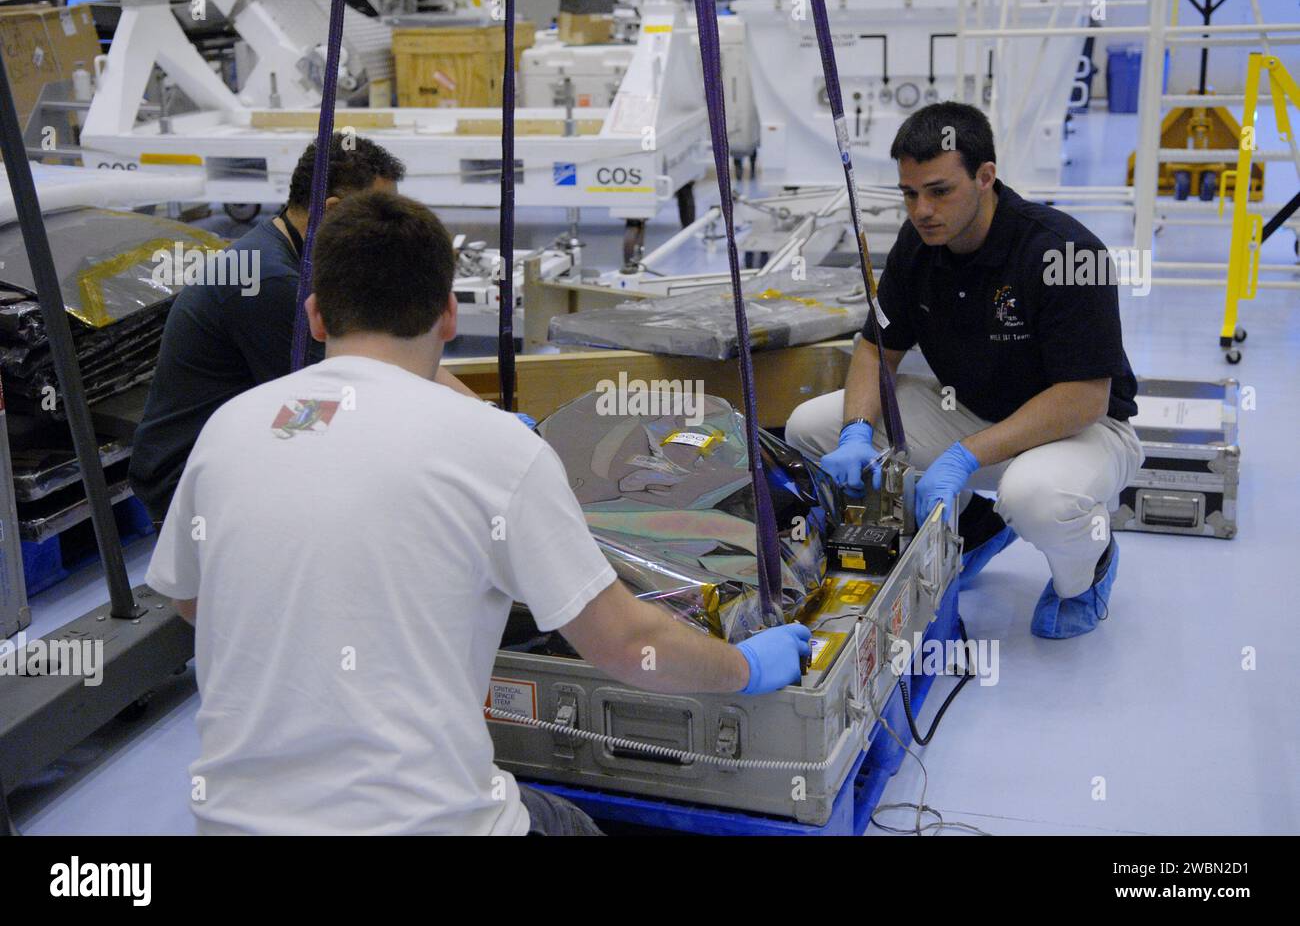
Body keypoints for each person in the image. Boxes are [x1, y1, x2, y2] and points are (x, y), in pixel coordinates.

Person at [144, 190, 811, 835]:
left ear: (315, 316)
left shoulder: (228, 429)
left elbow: (192, 603)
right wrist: (746, 670)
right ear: (448, 315)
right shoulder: (497, 450)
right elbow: (632, 648)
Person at [786, 102, 1143, 640]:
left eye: (939, 190)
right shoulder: (919, 245)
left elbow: (1083, 398)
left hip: (1079, 431)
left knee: (1036, 499)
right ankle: (979, 523)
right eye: (910, 194)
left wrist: (965, 456)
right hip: (971, 413)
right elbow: (874, 351)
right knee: (810, 426)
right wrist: (857, 432)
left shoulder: (1065, 251)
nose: (922, 210)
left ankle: (1088, 572)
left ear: (985, 177)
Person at [129, 134, 478, 524]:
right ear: (333, 209)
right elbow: (356, 392)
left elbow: (391, 353)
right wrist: (478, 430)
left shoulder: (288, 249)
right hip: (189, 485)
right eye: (378, 215)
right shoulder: (269, 280)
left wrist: (484, 414)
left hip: (239, 455)